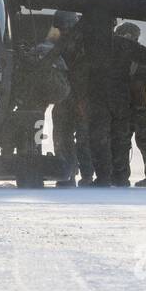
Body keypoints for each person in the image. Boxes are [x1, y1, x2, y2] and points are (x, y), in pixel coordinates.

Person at [86, 16, 146, 186]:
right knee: (119, 139)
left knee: (117, 139)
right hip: (122, 102)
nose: (128, 38)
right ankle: (118, 176)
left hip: (132, 105)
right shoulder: (127, 47)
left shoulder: (97, 45)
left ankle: (118, 176)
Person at [115, 22, 146, 187]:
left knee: (144, 140)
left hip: (143, 108)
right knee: (122, 141)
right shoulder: (118, 57)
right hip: (125, 106)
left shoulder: (144, 59)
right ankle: (120, 175)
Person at [51, 11, 94, 186]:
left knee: (84, 138)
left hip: (83, 96)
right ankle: (67, 173)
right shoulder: (55, 39)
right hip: (65, 96)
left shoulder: (87, 43)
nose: (64, 31)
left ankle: (86, 175)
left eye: (66, 27)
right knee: (62, 137)